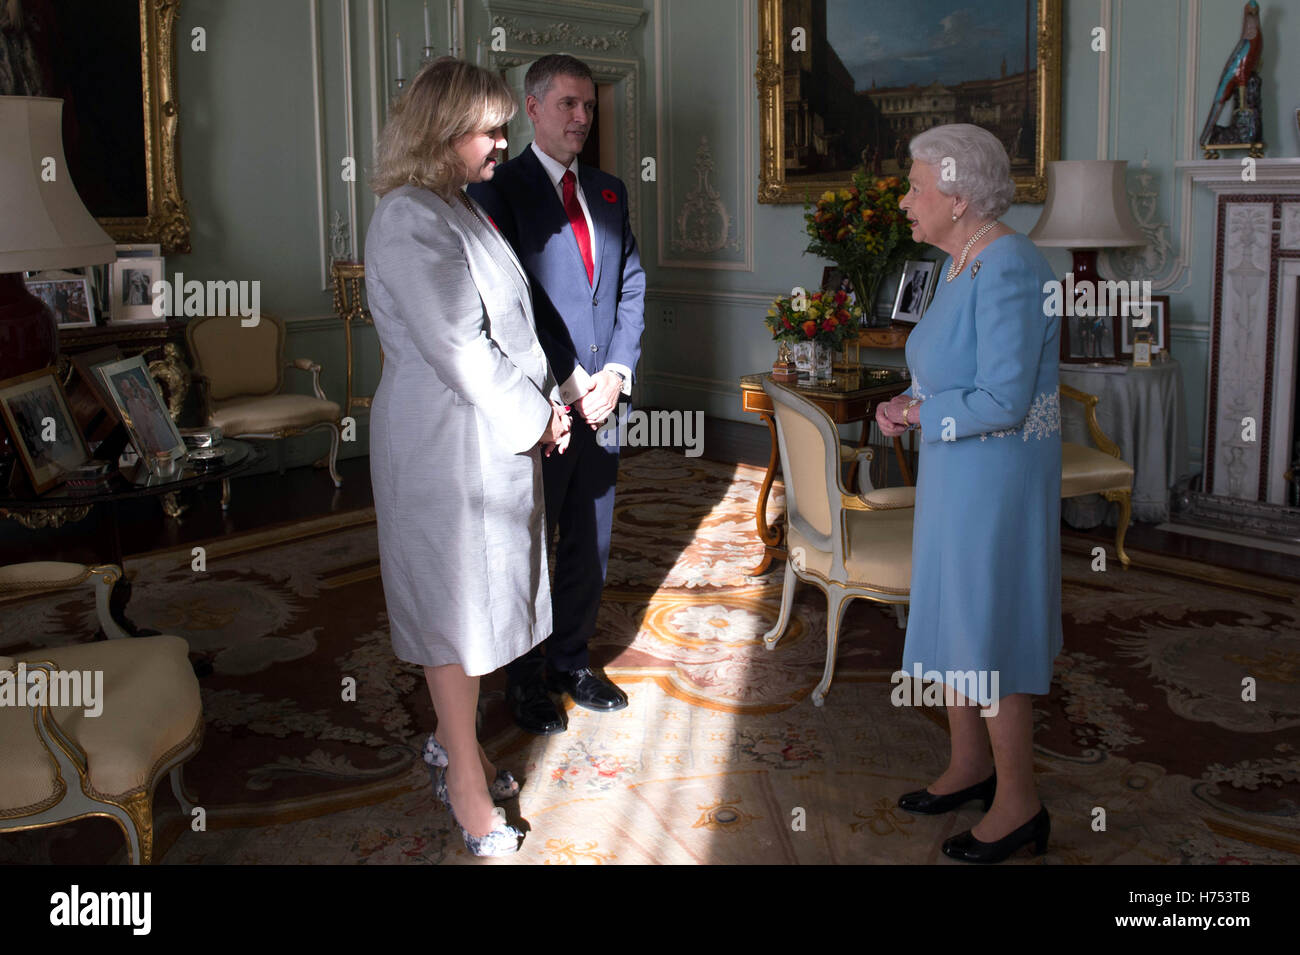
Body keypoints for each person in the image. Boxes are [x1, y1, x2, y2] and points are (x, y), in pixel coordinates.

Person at [364, 58, 571, 857]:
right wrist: (538, 420)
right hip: (444, 446)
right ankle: (464, 781)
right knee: (454, 613)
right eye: (490, 129)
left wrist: (547, 403)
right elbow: (461, 345)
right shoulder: (410, 217)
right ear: (443, 132)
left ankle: (464, 746)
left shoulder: (455, 206)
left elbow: (511, 327)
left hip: (480, 436)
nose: (502, 142)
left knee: (478, 608)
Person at [876, 123, 1062, 864]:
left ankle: (1019, 803)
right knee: (956, 612)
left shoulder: (1010, 265)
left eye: (916, 187)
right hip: (959, 470)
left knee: (991, 624)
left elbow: (1006, 398)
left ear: (957, 196)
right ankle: (969, 764)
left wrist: (922, 413)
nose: (904, 200)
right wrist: (905, 402)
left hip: (997, 478)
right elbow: (950, 372)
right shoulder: (959, 264)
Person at [470, 54, 646, 735]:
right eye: (568, 105)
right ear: (533, 106)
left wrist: (618, 373)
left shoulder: (608, 190)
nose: (581, 118)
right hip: (540, 404)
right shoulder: (497, 190)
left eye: (589, 107)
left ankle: (570, 662)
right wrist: (571, 379)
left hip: (605, 401)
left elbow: (630, 280)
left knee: (590, 542)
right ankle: (522, 679)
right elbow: (516, 305)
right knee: (528, 544)